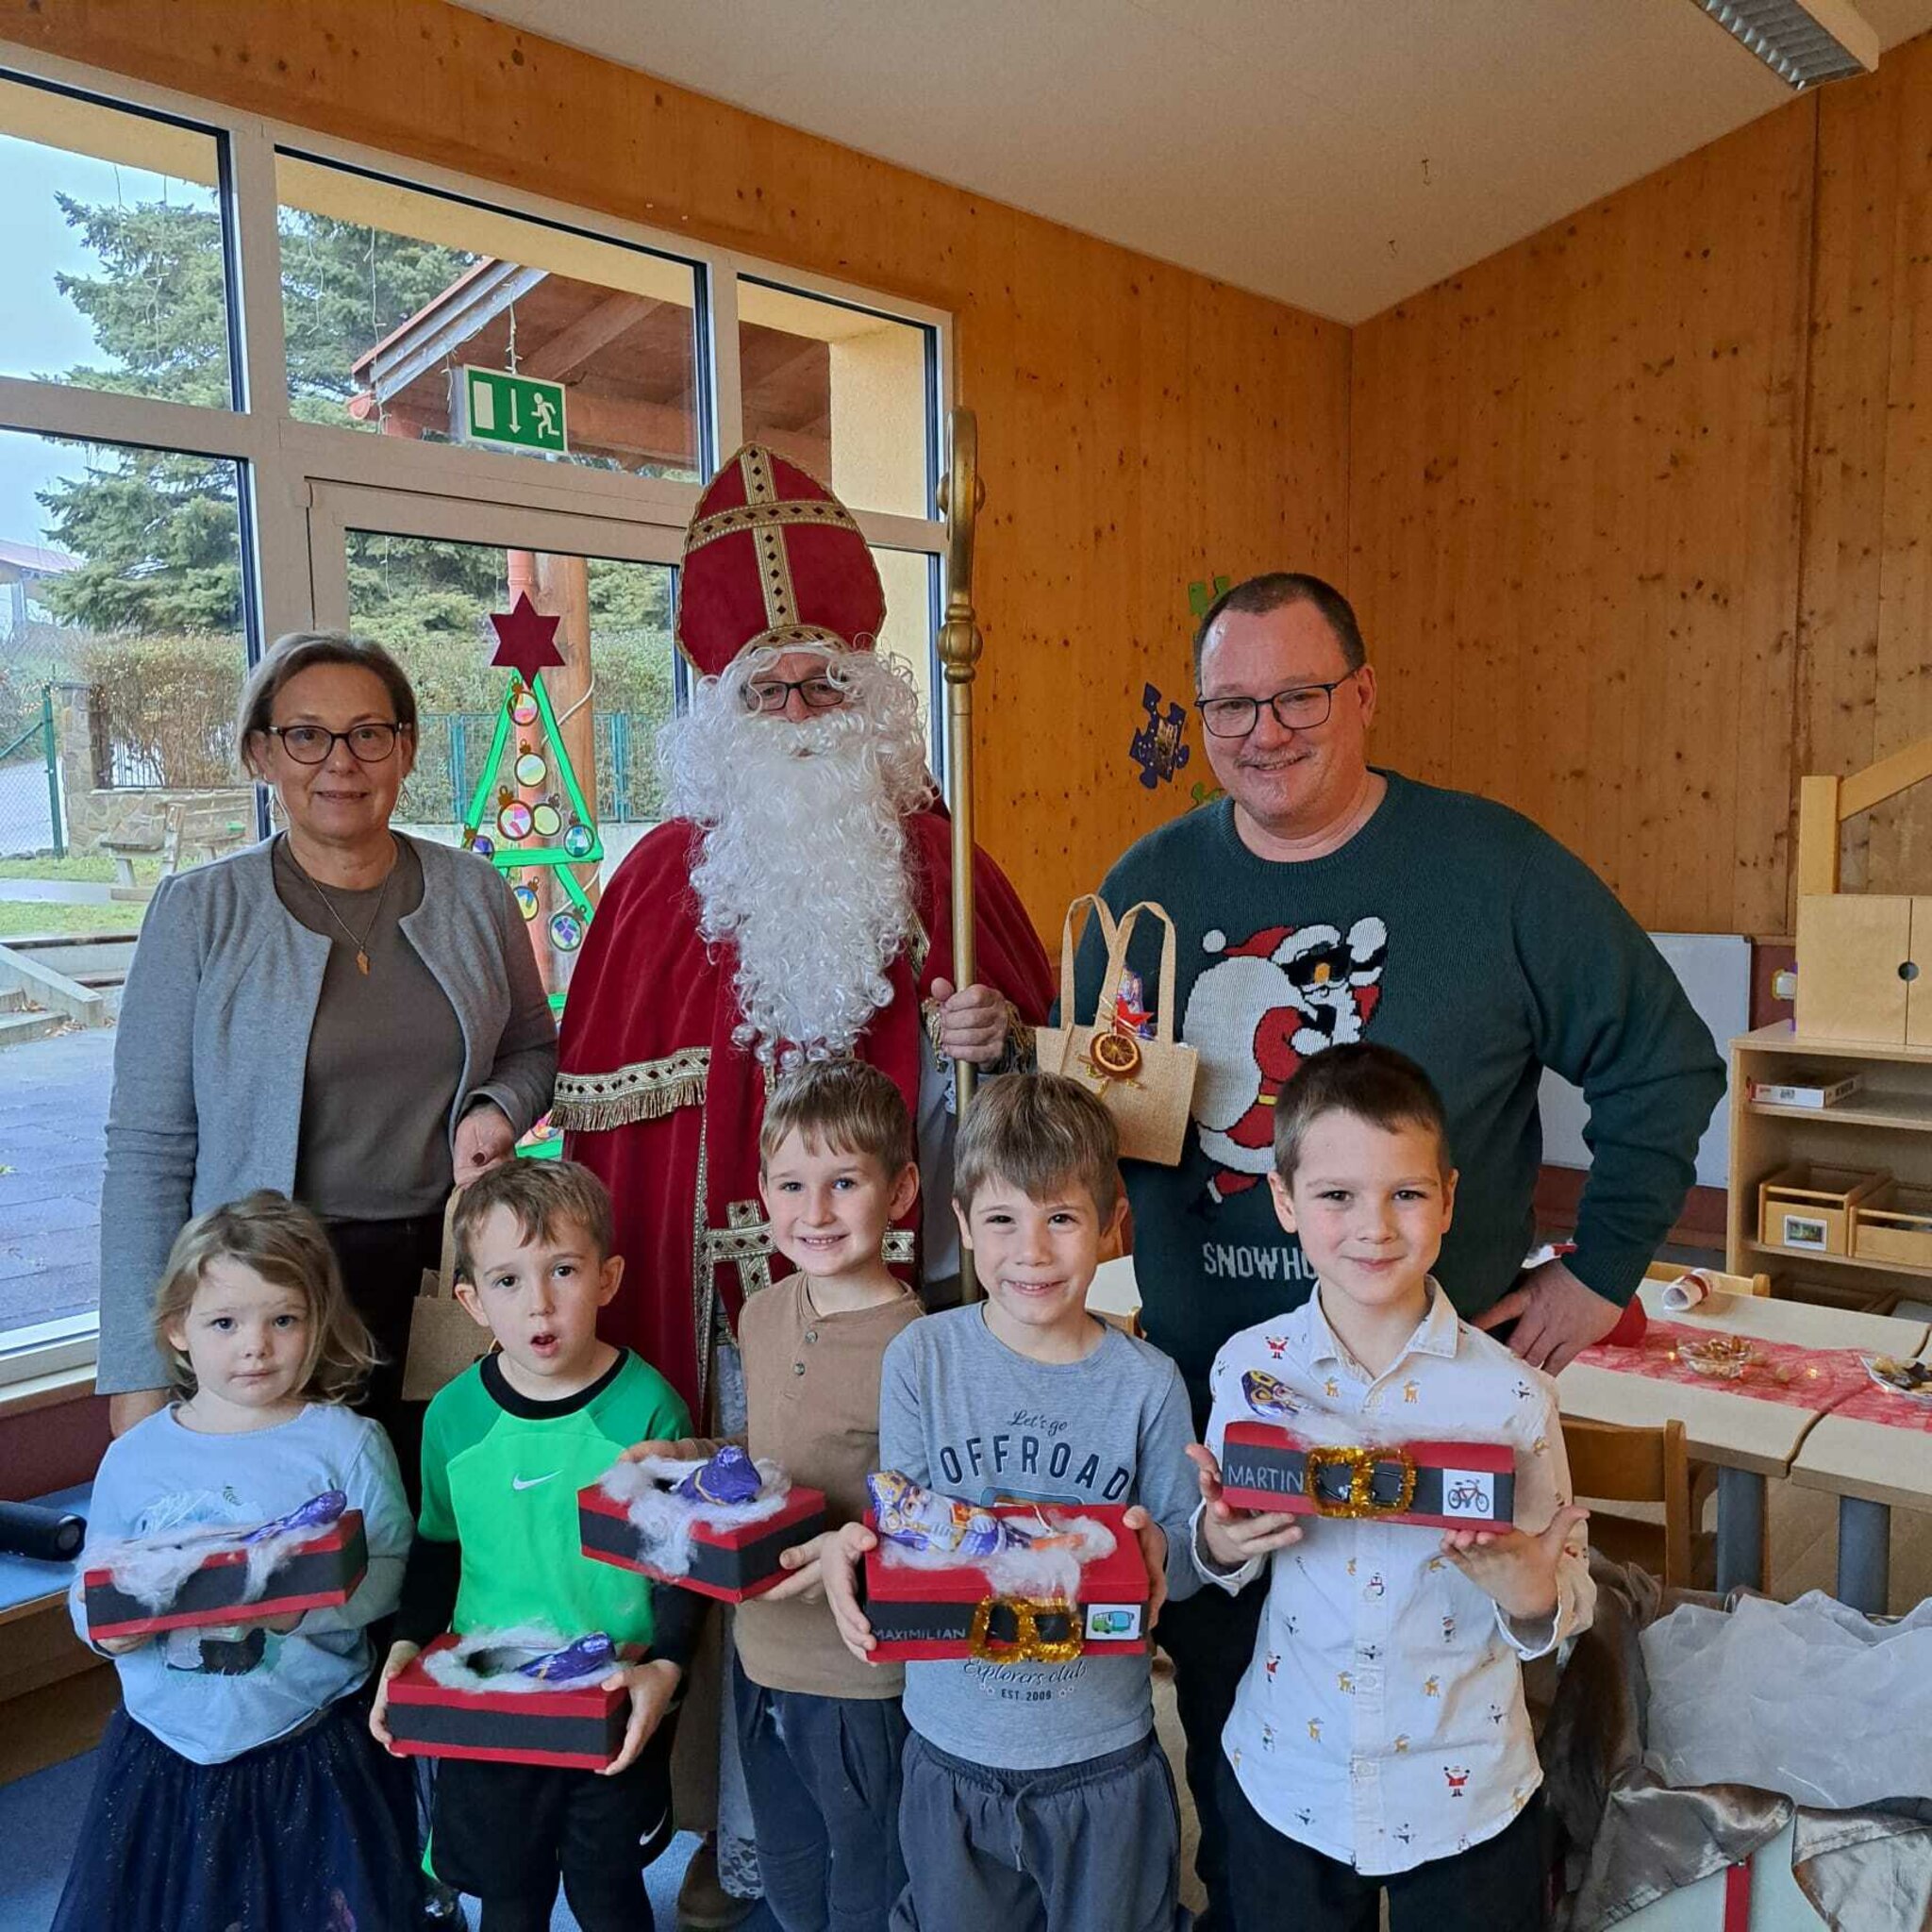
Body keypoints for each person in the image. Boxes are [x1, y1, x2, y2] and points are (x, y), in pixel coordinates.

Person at [1072, 571, 1720, 1924]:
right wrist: (999, 1062)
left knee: (1448, 1789)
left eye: (1298, 694)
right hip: (1225, 1415)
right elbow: (1088, 1127)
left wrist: (1599, 1274)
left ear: (1362, 695)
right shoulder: (1143, 894)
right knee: (1256, 1830)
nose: (1265, 729)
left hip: (1440, 1419)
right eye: (1229, 704)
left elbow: (1664, 1064)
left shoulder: (1496, 871)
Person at [554, 443, 1053, 1922]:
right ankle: (734, 1827)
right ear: (722, 707)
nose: (796, 711)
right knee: (735, 1559)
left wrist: (1001, 1037)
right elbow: (602, 1125)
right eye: (767, 689)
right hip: (722, 1324)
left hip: (901, 1319)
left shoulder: (945, 864)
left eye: (822, 683)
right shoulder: (655, 883)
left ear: (872, 696)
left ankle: (942, 1809)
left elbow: (1048, 1109)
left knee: (898, 1524)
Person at [96, 629, 558, 1481]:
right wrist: (135, 1373)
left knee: (438, 1524)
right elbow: (147, 1150)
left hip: (449, 1276)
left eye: (368, 734)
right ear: (262, 752)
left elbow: (534, 1048)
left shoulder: (475, 894)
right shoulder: (199, 911)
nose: (339, 761)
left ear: (405, 750)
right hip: (269, 1296)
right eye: (306, 735)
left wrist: (499, 1109)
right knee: (295, 1539)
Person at [1189, 1043, 1592, 1931]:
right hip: (1290, 1772)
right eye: (1337, 1196)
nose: (1374, 1226)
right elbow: (1224, 1552)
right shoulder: (1250, 1369)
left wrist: (1534, 1593)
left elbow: (1567, 1593)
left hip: (1465, 1795)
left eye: (1405, 1194)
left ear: (1446, 1199)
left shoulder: (1511, 1395)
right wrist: (1219, 1541)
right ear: (1286, 1201)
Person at [820, 1074, 1198, 1932]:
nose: (1031, 1250)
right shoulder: (922, 1359)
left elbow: (1186, 1547)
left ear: (1109, 1226)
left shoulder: (1148, 1383)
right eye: (1002, 1220)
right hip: (953, 1747)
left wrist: (1164, 1556)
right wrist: (856, 1548)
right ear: (961, 1226)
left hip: (1100, 1756)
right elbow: (905, 1523)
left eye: (1061, 1218)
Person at [56, 1191, 418, 1932]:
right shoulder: (135, 1458)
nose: (255, 1345)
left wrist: (312, 1604)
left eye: (282, 1319)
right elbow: (92, 1585)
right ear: (177, 1332)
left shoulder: (346, 1445)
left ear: (317, 1323)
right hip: (165, 1753)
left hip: (309, 1743)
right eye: (225, 1322)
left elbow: (391, 1572)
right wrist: (102, 1630)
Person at [626, 1059, 926, 1932]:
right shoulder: (762, 1314)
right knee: (791, 1877)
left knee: (866, 1880)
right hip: (758, 1649)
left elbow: (924, 1519)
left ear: (901, 1189)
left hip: (858, 1674)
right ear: (760, 1193)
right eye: (792, 1185)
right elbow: (761, 1462)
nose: (816, 1211)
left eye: (844, 1182)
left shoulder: (918, 1348)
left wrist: (848, 1549)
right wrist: (681, 1455)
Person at [371, 1158, 696, 1932]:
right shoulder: (452, 1419)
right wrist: (403, 1648)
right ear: (472, 1301)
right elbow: (438, 1549)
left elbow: (681, 1571)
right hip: (492, 1699)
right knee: (509, 1899)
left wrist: (667, 1668)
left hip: (613, 1698)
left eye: (562, 1270)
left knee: (605, 1892)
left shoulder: (650, 1412)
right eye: (509, 1281)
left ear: (608, 1277)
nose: (540, 1302)